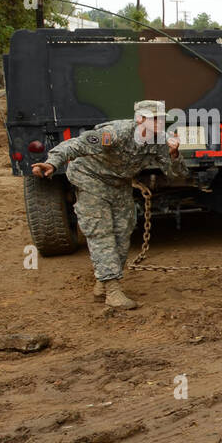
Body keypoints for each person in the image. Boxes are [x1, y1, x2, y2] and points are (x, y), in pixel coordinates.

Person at [30, 100, 187, 309]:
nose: (159, 124)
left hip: (118, 184)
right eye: (154, 120)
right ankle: (112, 290)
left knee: (123, 230)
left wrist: (174, 154)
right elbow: (77, 144)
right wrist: (52, 162)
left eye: (161, 120)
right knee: (100, 231)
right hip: (90, 179)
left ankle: (103, 281)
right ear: (139, 119)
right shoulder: (115, 133)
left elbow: (177, 173)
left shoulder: (159, 142)